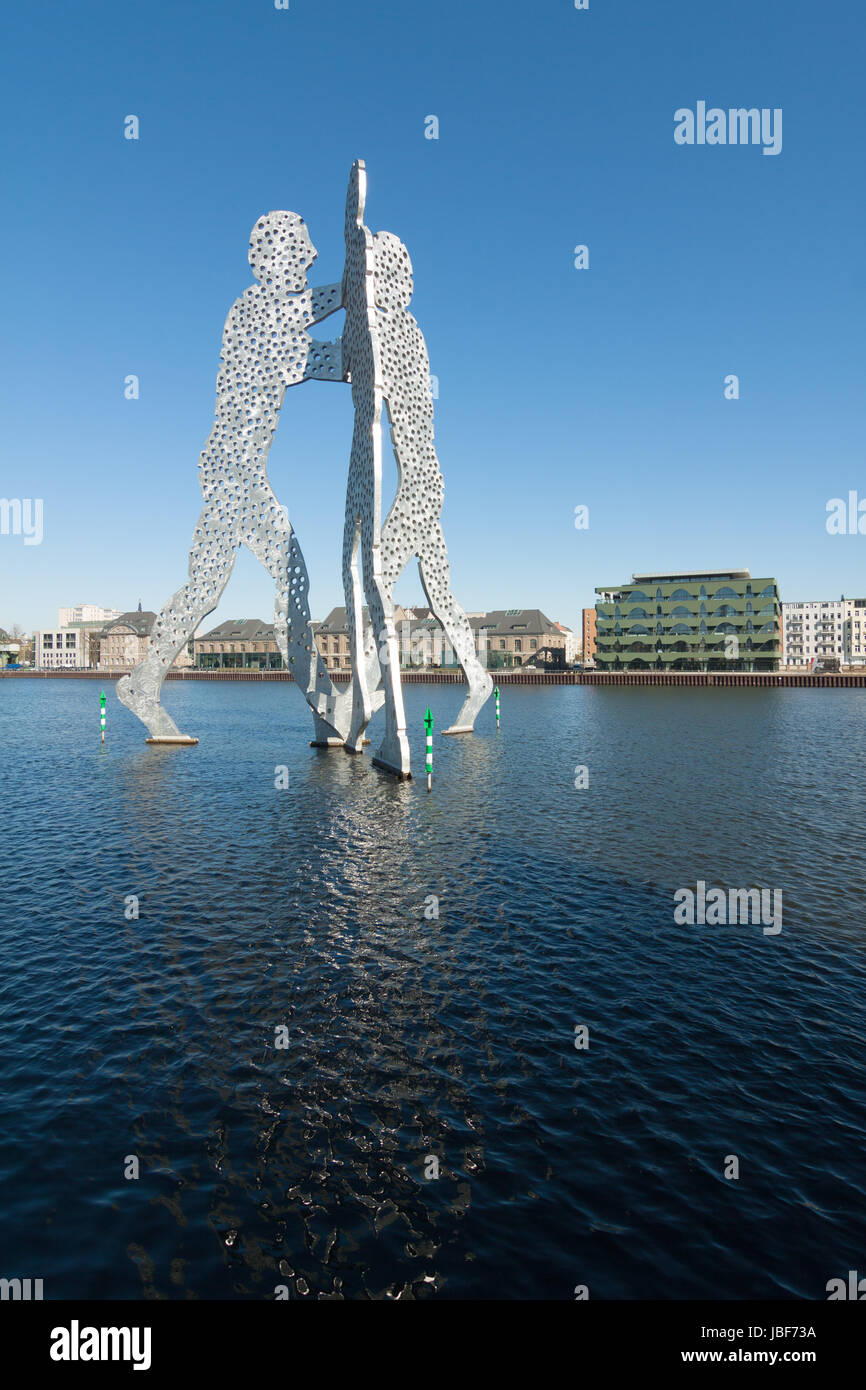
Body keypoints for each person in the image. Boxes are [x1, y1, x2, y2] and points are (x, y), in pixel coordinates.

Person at [117, 212, 354, 743]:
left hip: (231, 471)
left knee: (203, 591)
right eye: (301, 248)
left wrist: (351, 297)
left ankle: (142, 683)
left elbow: (312, 336)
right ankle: (326, 709)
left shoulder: (270, 314)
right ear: (270, 257)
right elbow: (316, 357)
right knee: (292, 579)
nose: (312, 255)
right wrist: (354, 293)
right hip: (235, 474)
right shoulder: (252, 312)